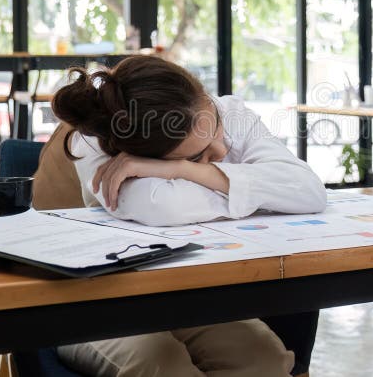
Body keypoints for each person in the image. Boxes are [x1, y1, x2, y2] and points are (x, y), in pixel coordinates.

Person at [50, 54, 327, 377]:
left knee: (264, 359)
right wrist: (252, 192)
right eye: (199, 155)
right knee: (161, 363)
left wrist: (184, 169)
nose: (221, 153)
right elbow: (163, 206)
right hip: (90, 300)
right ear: (137, 151)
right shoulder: (96, 142)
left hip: (181, 296)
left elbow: (308, 189)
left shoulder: (231, 112)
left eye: (215, 125)